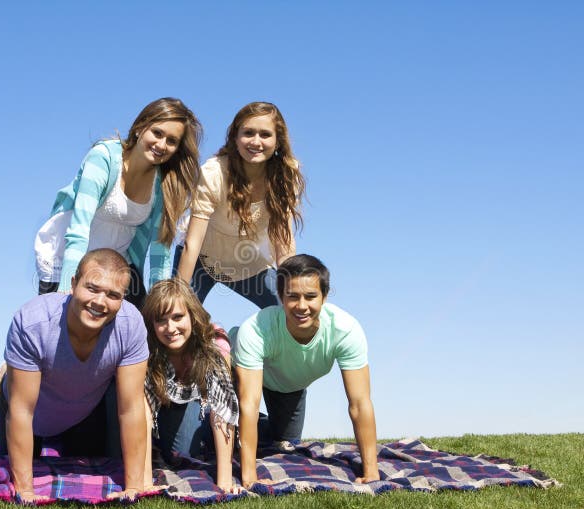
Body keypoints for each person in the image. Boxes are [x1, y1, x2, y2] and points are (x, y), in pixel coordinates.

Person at [0, 248, 150, 503]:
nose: (100, 302)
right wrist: (25, 492)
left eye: (113, 295)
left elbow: (131, 408)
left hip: (82, 413)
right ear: (73, 284)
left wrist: (134, 488)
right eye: (92, 288)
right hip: (29, 416)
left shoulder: (131, 325)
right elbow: (21, 411)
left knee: (93, 467)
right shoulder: (33, 322)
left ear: (123, 298)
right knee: (23, 477)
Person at [35, 97, 202, 307]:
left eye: (171, 141)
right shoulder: (104, 158)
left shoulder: (164, 184)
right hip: (67, 254)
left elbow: (161, 252)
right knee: (61, 329)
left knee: (144, 322)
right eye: (157, 133)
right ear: (141, 127)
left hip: (117, 261)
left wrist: (161, 304)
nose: (162, 145)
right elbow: (79, 226)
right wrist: (68, 286)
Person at [231, 254, 380, 487]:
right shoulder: (256, 329)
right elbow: (249, 403)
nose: (302, 306)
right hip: (233, 372)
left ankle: (241, 429)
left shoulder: (345, 329)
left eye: (311, 296)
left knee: (284, 442)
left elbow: (360, 403)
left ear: (324, 296)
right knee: (196, 442)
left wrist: (371, 471)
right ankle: (218, 419)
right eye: (292, 297)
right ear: (280, 297)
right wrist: (249, 474)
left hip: (288, 386)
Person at [175, 101, 304, 308]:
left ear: (278, 141)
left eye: (265, 134)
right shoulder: (214, 173)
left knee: (286, 308)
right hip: (202, 258)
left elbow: (284, 247)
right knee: (178, 314)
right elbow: (193, 243)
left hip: (247, 261)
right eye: (248, 133)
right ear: (235, 138)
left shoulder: (285, 177)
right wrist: (178, 299)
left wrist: (294, 293)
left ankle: (239, 337)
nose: (256, 141)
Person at [140, 278, 241, 493]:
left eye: (177, 317)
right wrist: (146, 481)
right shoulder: (146, 348)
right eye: (161, 320)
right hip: (163, 405)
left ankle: (258, 426)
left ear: (192, 316)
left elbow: (221, 411)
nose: (170, 328)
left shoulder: (212, 346)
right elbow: (143, 413)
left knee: (185, 453)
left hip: (200, 405)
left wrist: (225, 480)